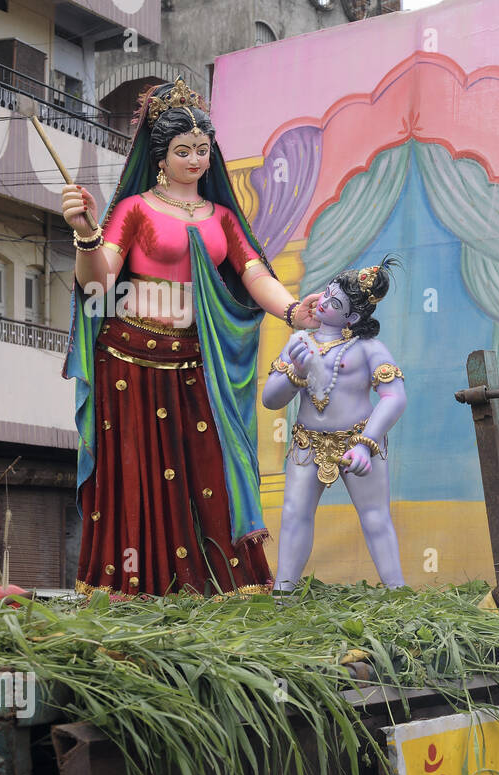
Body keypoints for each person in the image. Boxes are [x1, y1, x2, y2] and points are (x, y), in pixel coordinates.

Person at [60, 78, 321, 597]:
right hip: (127, 358)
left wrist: (293, 309)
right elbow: (97, 283)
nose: (196, 160)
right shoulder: (134, 209)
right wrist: (86, 231)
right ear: (161, 155)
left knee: (209, 469)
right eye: (184, 151)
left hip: (197, 360)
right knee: (136, 476)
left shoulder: (222, 217)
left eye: (203, 150)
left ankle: (221, 587)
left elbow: (253, 273)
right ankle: (132, 589)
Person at [263, 260, 407, 590]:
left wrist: (366, 443)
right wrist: (297, 375)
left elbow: (395, 397)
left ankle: (398, 592)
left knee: (374, 517)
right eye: (326, 294)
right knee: (294, 514)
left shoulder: (369, 349)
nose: (324, 302)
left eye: (335, 303)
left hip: (358, 441)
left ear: (353, 318)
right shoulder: (299, 342)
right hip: (306, 444)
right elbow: (271, 400)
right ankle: (283, 594)